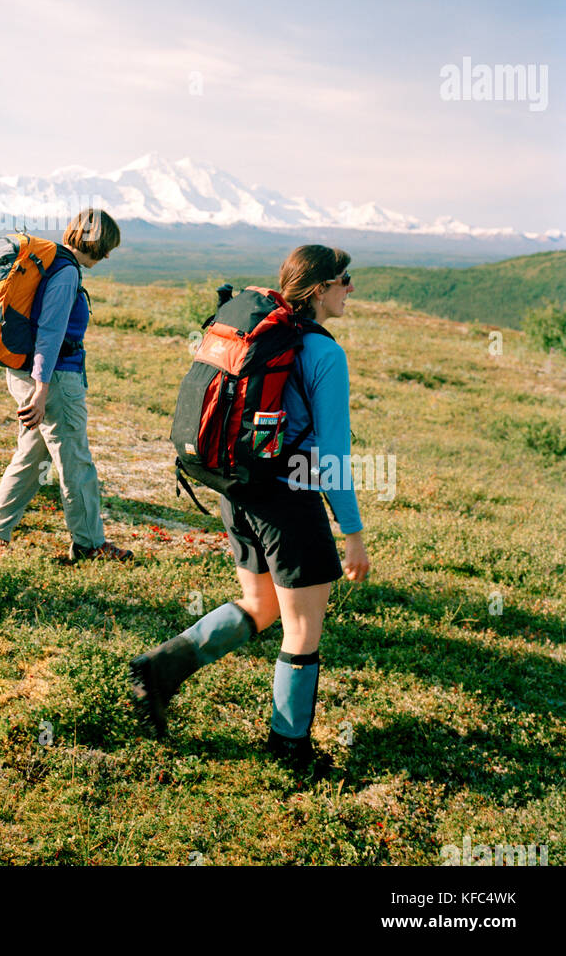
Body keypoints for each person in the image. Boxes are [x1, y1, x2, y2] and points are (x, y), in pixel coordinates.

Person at [130, 244, 370, 773]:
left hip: (239, 489)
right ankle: (290, 749)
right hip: (289, 497)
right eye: (344, 279)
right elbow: (330, 453)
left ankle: (159, 671)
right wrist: (351, 531)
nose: (350, 288)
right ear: (319, 289)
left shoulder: (259, 335)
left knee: (262, 604)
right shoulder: (324, 354)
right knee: (303, 628)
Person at [0, 208, 133, 564]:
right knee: (75, 461)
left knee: (31, 456)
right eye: (107, 248)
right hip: (53, 380)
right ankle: (90, 544)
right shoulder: (65, 273)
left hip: (29, 374)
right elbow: (50, 334)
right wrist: (43, 390)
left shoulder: (52, 263)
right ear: (97, 244)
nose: (107, 256)